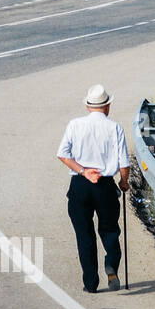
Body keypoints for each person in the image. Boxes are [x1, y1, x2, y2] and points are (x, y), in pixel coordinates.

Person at [56, 84, 131, 293]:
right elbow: (124, 163)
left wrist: (83, 171)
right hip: (105, 185)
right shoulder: (115, 127)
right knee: (109, 230)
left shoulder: (74, 125)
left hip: (80, 185)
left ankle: (90, 283)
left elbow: (62, 154)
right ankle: (111, 266)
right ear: (108, 106)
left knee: (84, 235)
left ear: (88, 107)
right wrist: (124, 182)